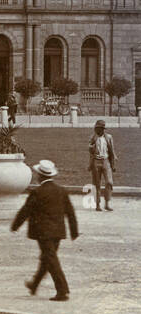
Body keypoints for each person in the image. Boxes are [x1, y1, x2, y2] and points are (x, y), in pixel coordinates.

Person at [12, 159, 78, 301]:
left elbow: (26, 210)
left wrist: (15, 225)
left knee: (50, 259)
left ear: (40, 176)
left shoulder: (37, 192)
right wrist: (74, 231)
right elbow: (70, 212)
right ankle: (34, 285)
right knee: (47, 258)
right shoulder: (61, 191)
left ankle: (62, 291)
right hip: (58, 231)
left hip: (43, 232)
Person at [87, 120, 117, 211]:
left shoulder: (108, 137)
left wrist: (113, 164)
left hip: (106, 161)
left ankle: (107, 203)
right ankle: (98, 204)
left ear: (103, 129)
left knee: (109, 182)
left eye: (100, 129)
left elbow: (112, 151)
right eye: (96, 129)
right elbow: (90, 152)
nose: (97, 130)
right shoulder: (92, 138)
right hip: (96, 161)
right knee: (97, 184)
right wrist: (91, 147)